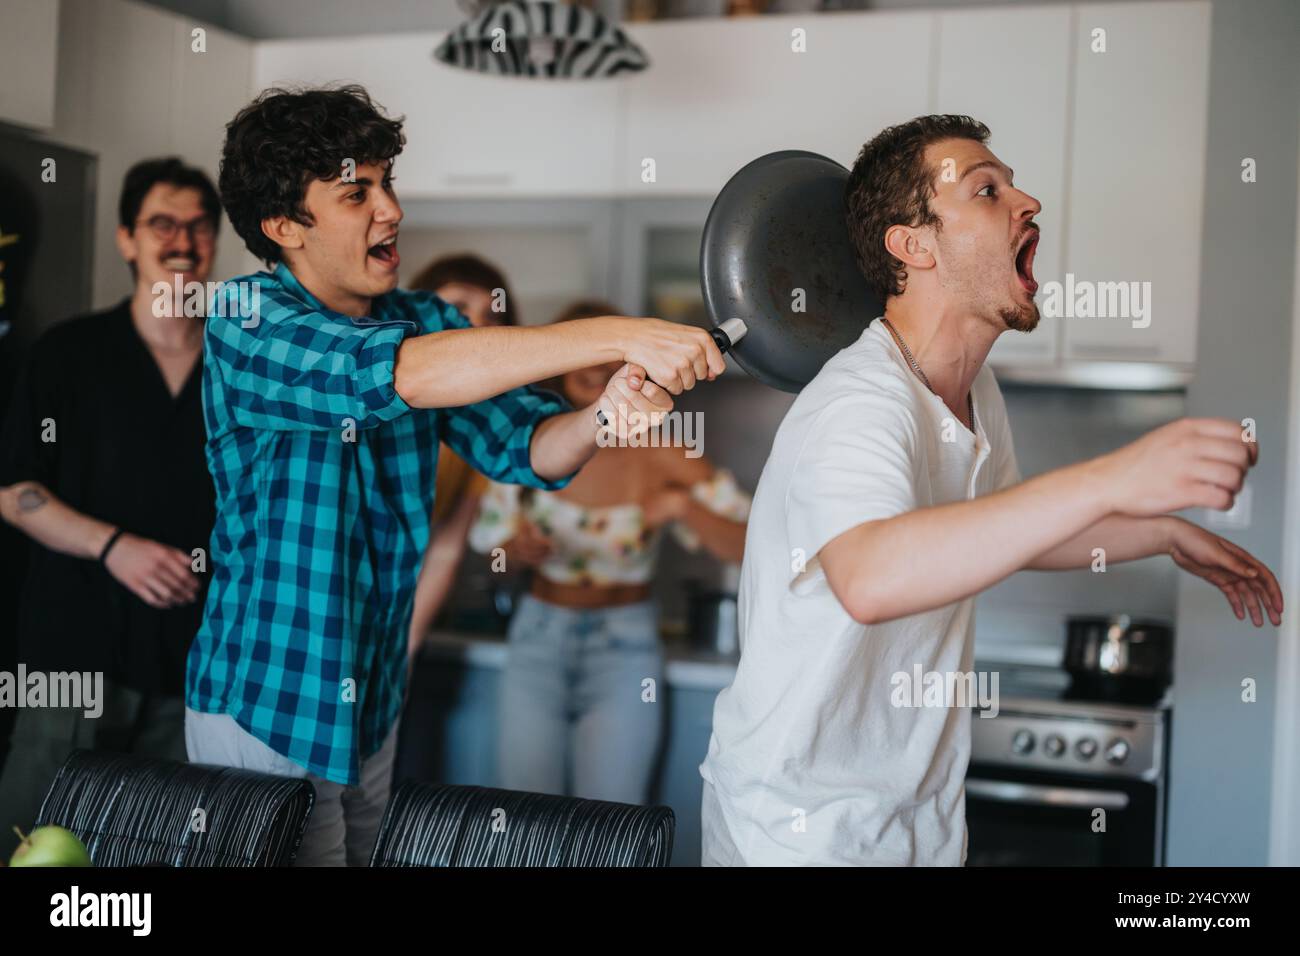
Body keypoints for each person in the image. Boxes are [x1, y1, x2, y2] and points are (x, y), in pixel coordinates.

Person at [699, 115, 1284, 866]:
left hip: (918, 822)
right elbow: (871, 577)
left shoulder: (975, 391)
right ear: (913, 245)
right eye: (987, 189)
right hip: (801, 831)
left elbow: (1006, 527)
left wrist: (1161, 532)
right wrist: (1114, 474)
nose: (1028, 200)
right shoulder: (859, 402)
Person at [183, 85, 725, 866]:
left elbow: (531, 448)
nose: (391, 209)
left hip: (369, 704)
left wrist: (607, 411)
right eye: (355, 192)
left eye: (388, 183)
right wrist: (619, 331)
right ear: (283, 227)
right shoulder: (244, 317)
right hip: (267, 705)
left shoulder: (427, 319)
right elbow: (398, 375)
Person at [0, 158, 220, 856]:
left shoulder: (239, 366)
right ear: (127, 239)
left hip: (197, 664)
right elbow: (15, 493)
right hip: (71, 657)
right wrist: (112, 545)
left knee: (158, 854)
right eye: (163, 223)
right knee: (35, 846)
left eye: (198, 225)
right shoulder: (68, 354)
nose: (182, 240)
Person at [468, 299, 751, 805]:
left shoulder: (666, 450)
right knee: (522, 818)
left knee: (612, 820)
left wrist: (684, 507)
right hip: (536, 636)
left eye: (612, 357)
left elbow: (752, 547)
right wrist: (515, 550)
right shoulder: (531, 444)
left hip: (627, 649)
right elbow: (492, 561)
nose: (596, 369)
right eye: (584, 354)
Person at [405, 254, 519, 657]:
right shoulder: (380, 401)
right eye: (458, 307)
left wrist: (406, 649)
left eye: (493, 314)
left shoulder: (481, 433)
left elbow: (446, 549)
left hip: (398, 611)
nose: (477, 324)